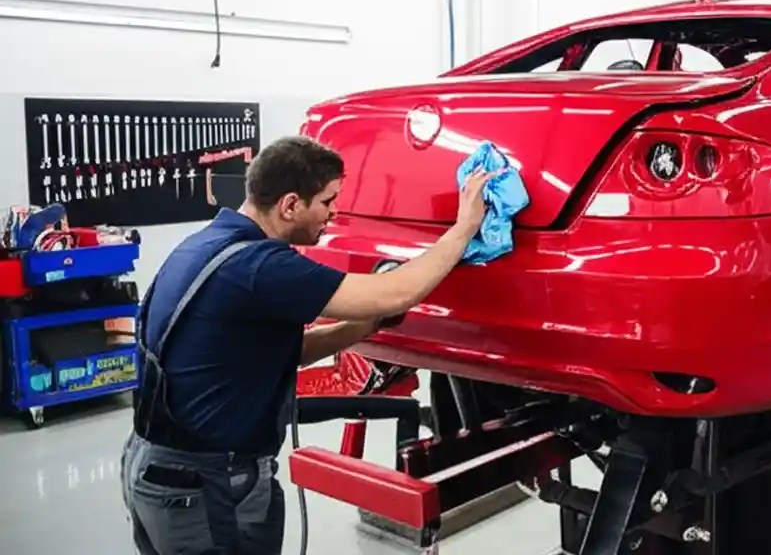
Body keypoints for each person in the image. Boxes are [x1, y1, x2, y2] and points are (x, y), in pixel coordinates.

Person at [120, 135, 493, 554]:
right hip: (206, 488)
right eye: (328, 201)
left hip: (157, 471)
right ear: (290, 205)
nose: (334, 213)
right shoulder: (261, 266)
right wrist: (464, 229)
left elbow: (274, 353)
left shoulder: (206, 244)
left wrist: (364, 326)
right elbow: (395, 293)